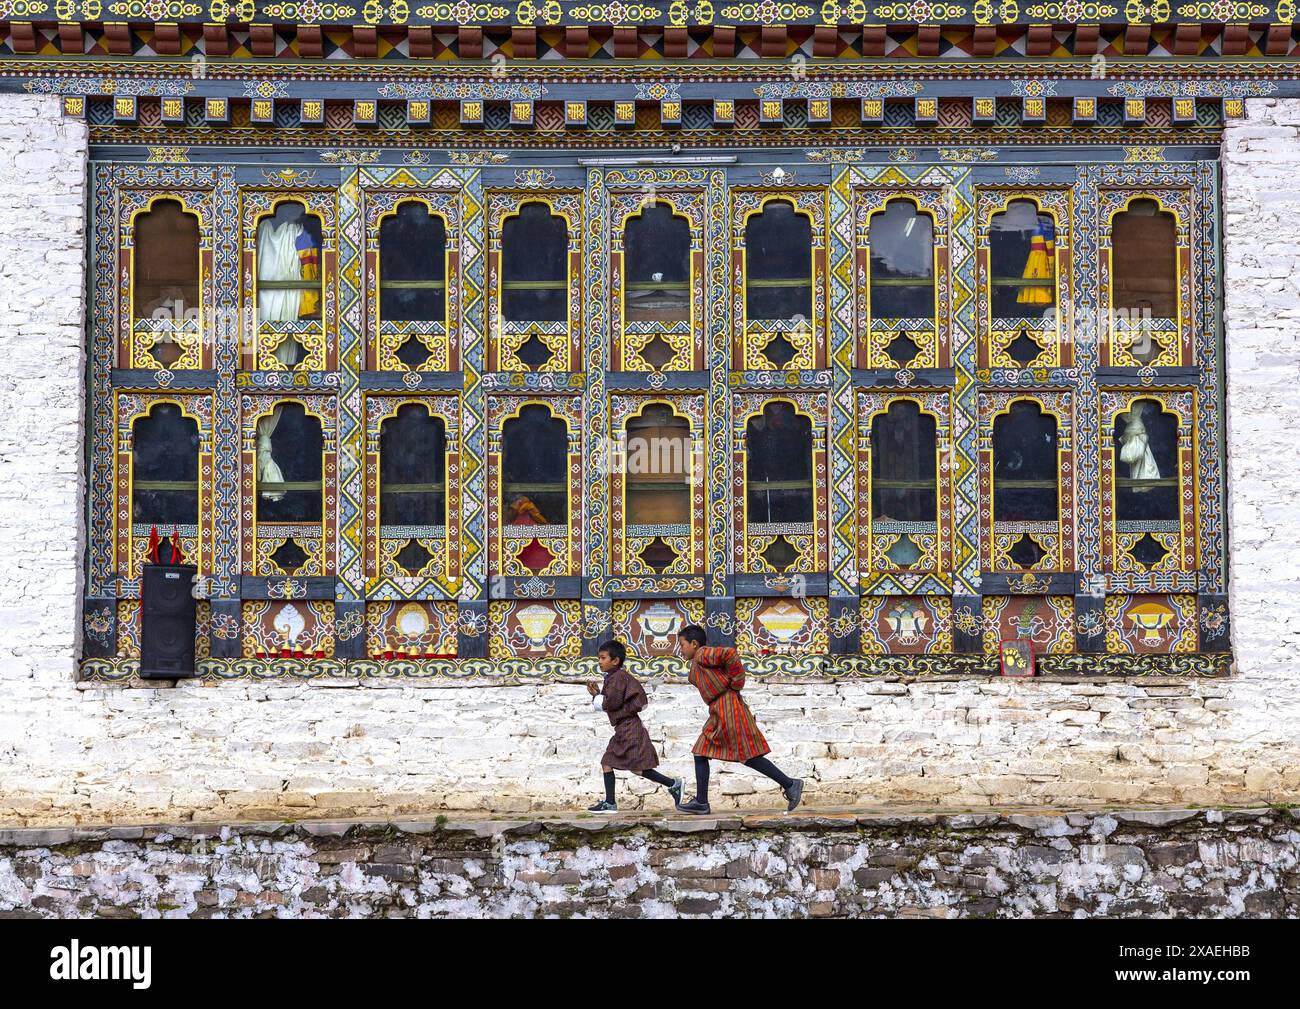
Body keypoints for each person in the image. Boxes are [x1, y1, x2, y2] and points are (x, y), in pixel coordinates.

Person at [675, 625, 804, 815]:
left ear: (694, 644)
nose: (681, 649)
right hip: (719, 709)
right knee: (709, 753)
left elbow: (730, 654)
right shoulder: (697, 662)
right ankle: (790, 784)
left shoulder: (702, 654)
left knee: (738, 754)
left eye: (683, 644)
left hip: (728, 708)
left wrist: (736, 682)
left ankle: (790, 784)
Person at [585, 639, 683, 813]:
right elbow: (614, 702)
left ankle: (672, 784)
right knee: (621, 765)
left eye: (602, 658)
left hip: (629, 728)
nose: (599, 661)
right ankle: (611, 803)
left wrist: (597, 698)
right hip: (625, 728)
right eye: (599, 658)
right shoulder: (614, 678)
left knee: (624, 765)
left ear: (615, 660)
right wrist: (598, 695)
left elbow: (612, 703)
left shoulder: (617, 678)